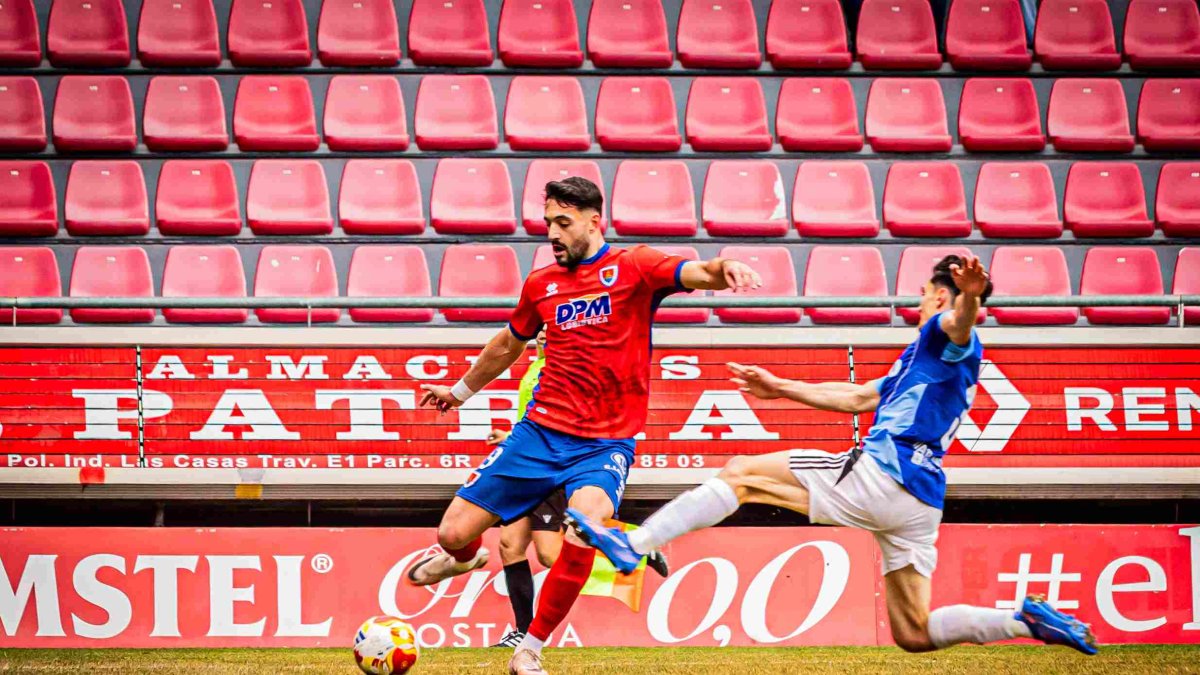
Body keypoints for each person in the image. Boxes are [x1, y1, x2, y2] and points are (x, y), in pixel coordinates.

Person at [569, 255, 1099, 657]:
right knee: (913, 632)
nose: (918, 303)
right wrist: (780, 388)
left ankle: (633, 545)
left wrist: (969, 300)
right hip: (919, 503)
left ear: (941, 297)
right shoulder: (919, 360)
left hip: (884, 474)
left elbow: (959, 325)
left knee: (742, 475)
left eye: (923, 295)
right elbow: (857, 397)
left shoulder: (943, 333)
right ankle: (1022, 622)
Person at [407, 176, 762, 675]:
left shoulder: (635, 266)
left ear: (594, 221)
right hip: (537, 435)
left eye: (563, 222)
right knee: (451, 533)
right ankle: (464, 558)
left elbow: (699, 270)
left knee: (583, 528)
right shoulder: (541, 285)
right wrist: (459, 392)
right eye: (548, 223)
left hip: (603, 445)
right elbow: (508, 345)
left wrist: (727, 267)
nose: (552, 233)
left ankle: (529, 649)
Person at [485, 330, 668, 649]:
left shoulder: (567, 370)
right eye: (540, 332)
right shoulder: (535, 368)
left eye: (550, 331)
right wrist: (511, 439)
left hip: (552, 467)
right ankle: (522, 631)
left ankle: (627, 547)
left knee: (549, 555)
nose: (543, 336)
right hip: (528, 465)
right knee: (509, 545)